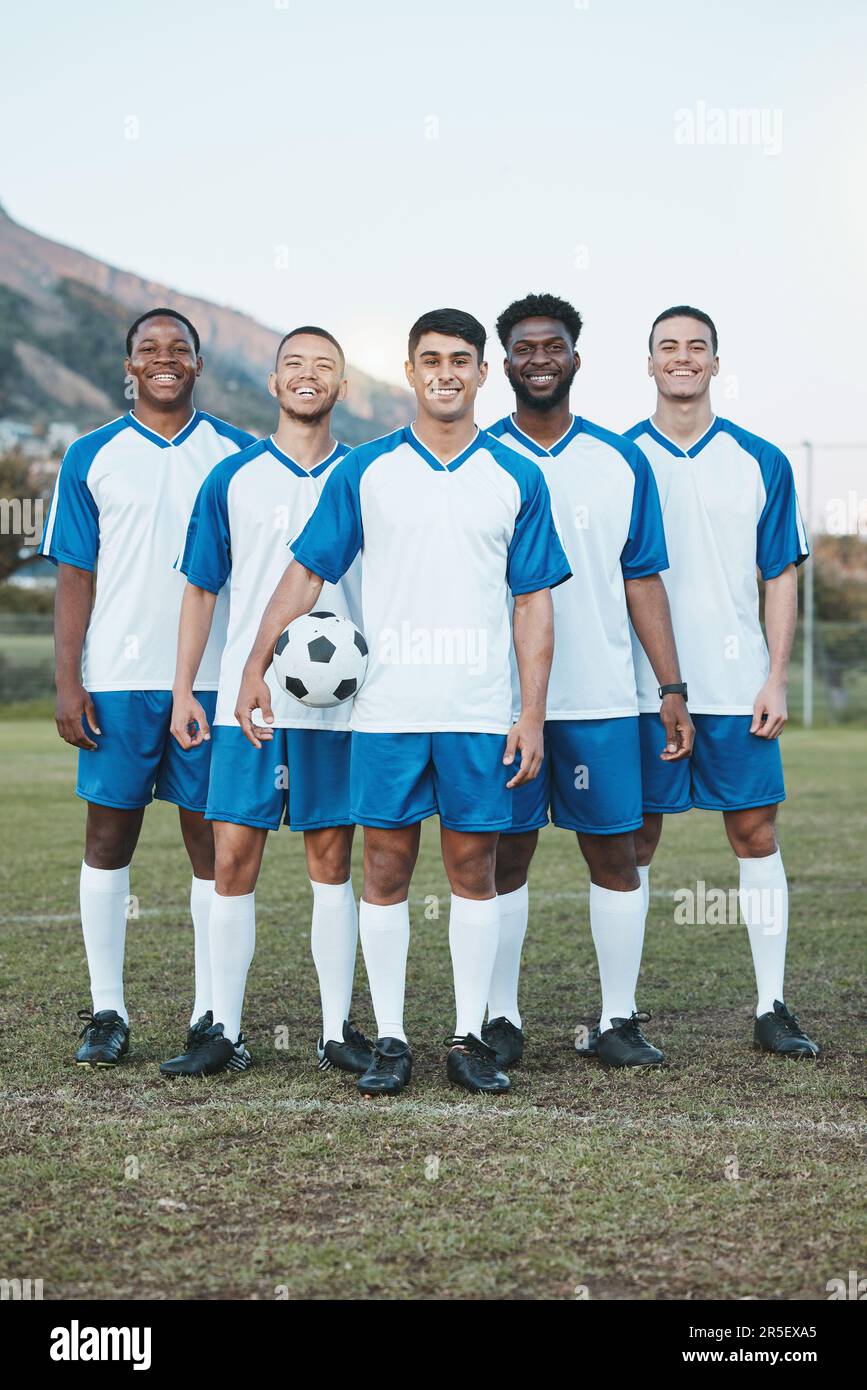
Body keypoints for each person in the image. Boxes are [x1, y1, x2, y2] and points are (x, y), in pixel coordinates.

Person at [235, 308, 571, 1096]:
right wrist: (255, 663)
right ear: (411, 372)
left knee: (472, 868)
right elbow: (304, 572)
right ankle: (390, 1038)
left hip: (478, 710)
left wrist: (529, 713)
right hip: (385, 710)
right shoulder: (367, 471)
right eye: (430, 360)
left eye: (460, 359)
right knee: (383, 869)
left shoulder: (517, 476)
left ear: (483, 373)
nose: (446, 372)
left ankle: (465, 1037)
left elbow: (533, 604)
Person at [38, 309, 255, 1068]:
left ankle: (211, 1018)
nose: (164, 359)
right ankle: (106, 1012)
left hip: (210, 681)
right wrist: (70, 683)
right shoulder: (90, 454)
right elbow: (75, 574)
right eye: (148, 350)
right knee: (107, 841)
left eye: (179, 350)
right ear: (128, 365)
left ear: (198, 363)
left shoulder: (236, 453)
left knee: (212, 845)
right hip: (119, 681)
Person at [486, 292, 693, 1068]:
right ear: (502, 362)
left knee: (616, 854)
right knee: (504, 858)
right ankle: (498, 1017)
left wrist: (669, 689)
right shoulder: (480, 458)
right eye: (524, 348)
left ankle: (616, 1019)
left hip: (604, 697)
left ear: (575, 357)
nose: (539, 358)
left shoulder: (618, 459)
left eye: (553, 346)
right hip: (503, 704)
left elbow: (641, 581)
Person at [163, 327, 369, 1077]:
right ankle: (221, 1028)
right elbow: (200, 588)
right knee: (233, 859)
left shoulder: (366, 474)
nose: (307, 376)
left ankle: (336, 1030)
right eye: (293, 365)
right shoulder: (232, 477)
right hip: (245, 703)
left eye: (324, 367)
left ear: (341, 387)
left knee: (331, 860)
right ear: (273, 383)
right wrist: (187, 686)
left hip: (339, 706)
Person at [626, 305, 819, 1057]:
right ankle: (622, 1011)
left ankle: (771, 1006)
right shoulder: (618, 457)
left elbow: (779, 576)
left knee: (755, 833)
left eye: (695, 347)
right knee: (633, 842)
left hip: (738, 687)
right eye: (666, 347)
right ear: (648, 364)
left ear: (713, 362)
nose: (681, 357)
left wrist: (774, 677)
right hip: (642, 690)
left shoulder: (760, 460)